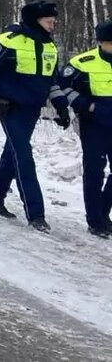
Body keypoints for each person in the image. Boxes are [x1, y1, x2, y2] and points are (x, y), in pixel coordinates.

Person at [0, 0, 70, 233]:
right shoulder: (9, 41)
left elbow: (52, 83)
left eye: (54, 22)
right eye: (49, 21)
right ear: (35, 20)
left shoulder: (50, 47)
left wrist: (62, 108)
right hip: (8, 106)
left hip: (32, 110)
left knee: (12, 154)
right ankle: (36, 214)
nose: (52, 26)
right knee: (23, 156)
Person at [58, 20, 112, 238]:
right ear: (102, 42)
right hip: (94, 123)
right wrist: (86, 105)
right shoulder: (82, 63)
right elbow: (62, 86)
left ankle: (102, 212)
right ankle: (95, 221)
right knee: (94, 171)